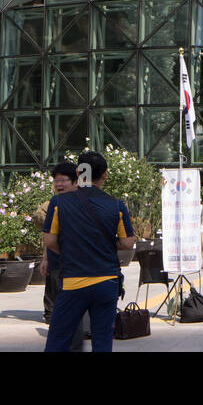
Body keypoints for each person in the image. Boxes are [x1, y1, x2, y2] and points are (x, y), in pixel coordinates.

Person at [41, 150, 135, 353]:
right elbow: (128, 242)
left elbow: (48, 240)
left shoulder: (59, 203)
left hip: (73, 282)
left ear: (78, 172)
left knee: (58, 339)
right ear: (105, 175)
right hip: (107, 282)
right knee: (102, 342)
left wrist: (69, 249)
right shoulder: (117, 205)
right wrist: (105, 243)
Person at [37, 162, 84, 350]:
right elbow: (48, 237)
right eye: (56, 180)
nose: (59, 184)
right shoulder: (54, 204)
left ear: (75, 182)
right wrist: (46, 258)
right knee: (62, 311)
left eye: (64, 180)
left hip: (78, 268)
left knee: (72, 313)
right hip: (58, 265)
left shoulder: (83, 204)